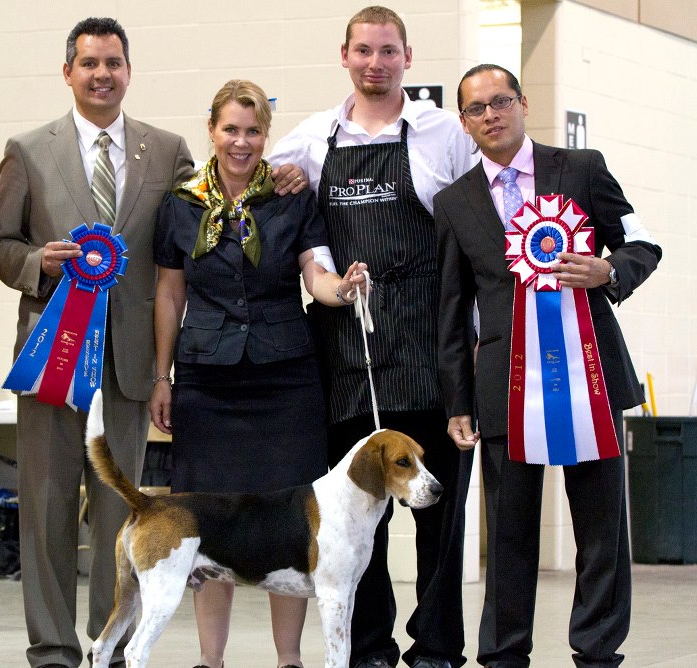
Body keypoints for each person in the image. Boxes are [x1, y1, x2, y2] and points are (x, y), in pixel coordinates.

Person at [0, 17, 195, 668]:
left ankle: (115, 645)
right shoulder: (27, 148)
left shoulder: (167, 149)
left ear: (129, 70)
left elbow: (195, 231)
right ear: (67, 72)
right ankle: (51, 649)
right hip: (53, 356)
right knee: (45, 511)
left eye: (114, 62)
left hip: (129, 365)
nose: (102, 74)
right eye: (89, 63)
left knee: (121, 518)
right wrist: (33, 263)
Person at [268, 7, 477, 668]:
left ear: (408, 59)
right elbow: (259, 183)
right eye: (364, 51)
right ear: (345, 55)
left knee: (440, 516)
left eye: (388, 52)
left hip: (433, 342)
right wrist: (284, 180)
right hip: (348, 349)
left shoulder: (446, 134)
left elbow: (481, 231)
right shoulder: (308, 139)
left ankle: (437, 648)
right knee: (359, 520)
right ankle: (368, 649)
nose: (376, 63)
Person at [435, 64, 661, 667]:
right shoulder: (455, 203)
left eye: (501, 101)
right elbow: (452, 313)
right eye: (477, 108)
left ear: (523, 103)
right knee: (508, 535)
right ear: (464, 122)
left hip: (591, 380)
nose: (491, 114)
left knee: (602, 533)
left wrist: (609, 271)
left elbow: (643, 244)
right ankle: (505, 656)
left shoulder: (581, 169)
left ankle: (597, 652)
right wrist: (458, 401)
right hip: (502, 391)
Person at [151, 79, 368, 668]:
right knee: (208, 521)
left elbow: (314, 273)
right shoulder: (179, 204)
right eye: (230, 130)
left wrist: (340, 290)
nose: (241, 142)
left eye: (253, 131)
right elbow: (169, 295)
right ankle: (210, 660)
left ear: (266, 136)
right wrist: (161, 376)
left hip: (285, 381)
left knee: (290, 525)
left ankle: (289, 661)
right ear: (212, 130)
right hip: (206, 379)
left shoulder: (293, 196)